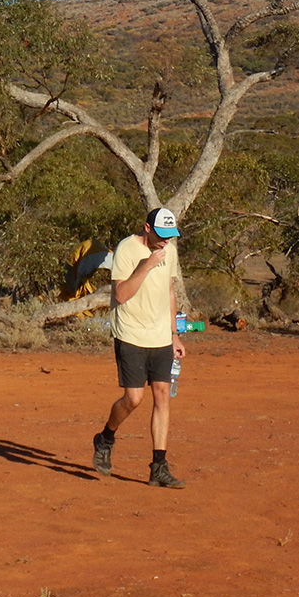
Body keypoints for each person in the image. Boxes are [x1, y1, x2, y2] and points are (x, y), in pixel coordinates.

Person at [92, 207, 188, 488]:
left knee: (162, 398)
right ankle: (106, 437)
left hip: (161, 336)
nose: (166, 241)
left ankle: (159, 467)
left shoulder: (168, 251)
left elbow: (169, 291)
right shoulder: (126, 249)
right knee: (133, 399)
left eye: (171, 236)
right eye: (161, 235)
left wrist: (175, 334)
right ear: (147, 228)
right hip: (131, 334)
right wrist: (146, 264)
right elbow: (120, 295)